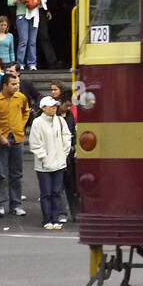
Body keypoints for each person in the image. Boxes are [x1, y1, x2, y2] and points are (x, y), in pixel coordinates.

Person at [0, 73, 31, 217]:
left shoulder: (21, 98)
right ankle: (0, 202)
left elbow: (26, 112)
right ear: (5, 85)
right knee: (1, 173)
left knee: (17, 173)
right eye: (13, 84)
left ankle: (16, 204)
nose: (17, 86)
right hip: (1, 138)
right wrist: (0, 136)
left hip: (17, 137)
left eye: (18, 83)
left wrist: (20, 126)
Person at [29, 95, 71, 230]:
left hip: (59, 162)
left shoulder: (60, 121)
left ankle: (55, 218)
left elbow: (66, 138)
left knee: (56, 192)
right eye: (51, 106)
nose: (54, 108)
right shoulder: (37, 123)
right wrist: (44, 157)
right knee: (46, 193)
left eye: (55, 106)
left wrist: (63, 153)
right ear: (43, 108)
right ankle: (47, 219)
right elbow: (35, 144)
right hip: (43, 165)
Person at [9, 0, 42, 71]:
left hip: (33, 15)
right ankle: (20, 63)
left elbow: (40, 1)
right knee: (23, 41)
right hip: (21, 15)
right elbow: (9, 2)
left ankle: (32, 63)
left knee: (32, 41)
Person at [58, 89, 79, 223]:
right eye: (66, 105)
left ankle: (75, 212)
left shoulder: (70, 114)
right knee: (59, 185)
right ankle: (62, 212)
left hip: (70, 153)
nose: (67, 108)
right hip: (58, 153)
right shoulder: (55, 117)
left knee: (72, 186)